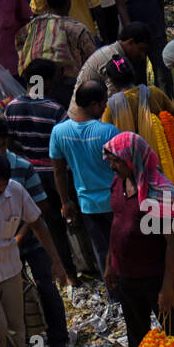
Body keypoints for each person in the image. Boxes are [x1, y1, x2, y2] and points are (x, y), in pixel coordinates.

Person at [100, 132, 174, 347]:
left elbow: (173, 243)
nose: (112, 166)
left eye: (117, 161)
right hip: (126, 275)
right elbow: (116, 225)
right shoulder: (118, 183)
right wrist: (110, 264)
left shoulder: (158, 194)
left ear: (132, 160)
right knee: (136, 335)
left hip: (155, 277)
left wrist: (167, 288)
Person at [0, 118, 74, 347]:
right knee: (1, 318)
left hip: (26, 241)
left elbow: (38, 212)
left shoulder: (21, 170)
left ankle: (59, 345)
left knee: (46, 288)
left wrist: (19, 237)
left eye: (1, 146)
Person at [5, 59, 77, 285]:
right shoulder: (54, 110)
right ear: (45, 81)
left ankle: (67, 273)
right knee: (72, 222)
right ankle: (81, 268)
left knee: (48, 225)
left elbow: (11, 142)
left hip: (31, 176)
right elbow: (68, 146)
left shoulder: (11, 108)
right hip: (58, 174)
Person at [49, 81, 119, 275]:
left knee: (102, 250)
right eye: (103, 103)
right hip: (114, 200)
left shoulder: (59, 132)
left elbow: (59, 171)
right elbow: (124, 167)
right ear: (94, 105)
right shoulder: (108, 132)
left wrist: (65, 202)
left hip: (87, 203)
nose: (105, 107)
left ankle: (114, 296)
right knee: (123, 249)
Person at [16, 0, 98, 83]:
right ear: (68, 2)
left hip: (42, 82)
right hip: (72, 83)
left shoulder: (35, 25)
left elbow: (19, 41)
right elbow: (94, 60)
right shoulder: (78, 29)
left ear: (47, 4)